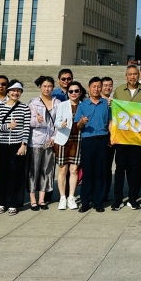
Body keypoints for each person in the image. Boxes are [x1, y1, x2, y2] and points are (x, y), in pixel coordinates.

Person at [112, 65, 141, 210]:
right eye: (130, 74)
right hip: (122, 137)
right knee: (120, 169)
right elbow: (114, 114)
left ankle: (133, 198)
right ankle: (118, 199)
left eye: (135, 74)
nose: (133, 76)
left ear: (138, 75)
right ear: (126, 76)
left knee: (135, 169)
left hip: (138, 138)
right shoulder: (119, 90)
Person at [0, 81, 30, 215]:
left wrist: (23, 144)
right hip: (1, 145)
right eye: (13, 90)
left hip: (16, 145)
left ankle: (13, 203)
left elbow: (26, 128)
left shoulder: (25, 108)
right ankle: (1, 202)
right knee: (1, 174)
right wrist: (8, 126)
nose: (15, 93)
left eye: (18, 91)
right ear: (8, 92)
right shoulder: (0, 107)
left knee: (15, 175)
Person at [75, 76, 111, 213]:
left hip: (102, 139)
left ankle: (98, 201)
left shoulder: (106, 104)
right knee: (88, 172)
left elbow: (110, 122)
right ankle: (85, 201)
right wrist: (81, 122)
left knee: (100, 172)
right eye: (94, 87)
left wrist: (111, 138)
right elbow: (77, 126)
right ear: (89, 88)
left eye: (98, 86)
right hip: (88, 140)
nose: (96, 89)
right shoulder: (82, 105)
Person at [28, 75, 59, 211]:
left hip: (50, 141)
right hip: (35, 141)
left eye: (49, 86)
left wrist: (55, 137)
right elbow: (29, 122)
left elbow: (60, 122)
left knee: (47, 170)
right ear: (40, 87)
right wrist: (37, 121)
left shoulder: (57, 103)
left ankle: (42, 199)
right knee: (33, 170)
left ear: (53, 87)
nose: (47, 89)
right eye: (44, 86)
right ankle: (32, 199)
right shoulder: (34, 102)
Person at [54, 81, 84, 210]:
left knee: (74, 170)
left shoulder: (84, 105)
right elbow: (56, 122)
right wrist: (62, 124)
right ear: (67, 93)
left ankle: (71, 197)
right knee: (63, 169)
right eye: (71, 91)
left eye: (76, 91)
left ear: (80, 92)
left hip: (78, 139)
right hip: (63, 139)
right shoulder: (62, 105)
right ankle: (62, 197)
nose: (73, 93)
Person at [100, 77, 115, 206]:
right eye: (105, 85)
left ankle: (105, 192)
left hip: (110, 139)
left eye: (110, 85)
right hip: (97, 138)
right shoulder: (95, 101)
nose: (107, 88)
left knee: (107, 167)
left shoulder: (113, 102)